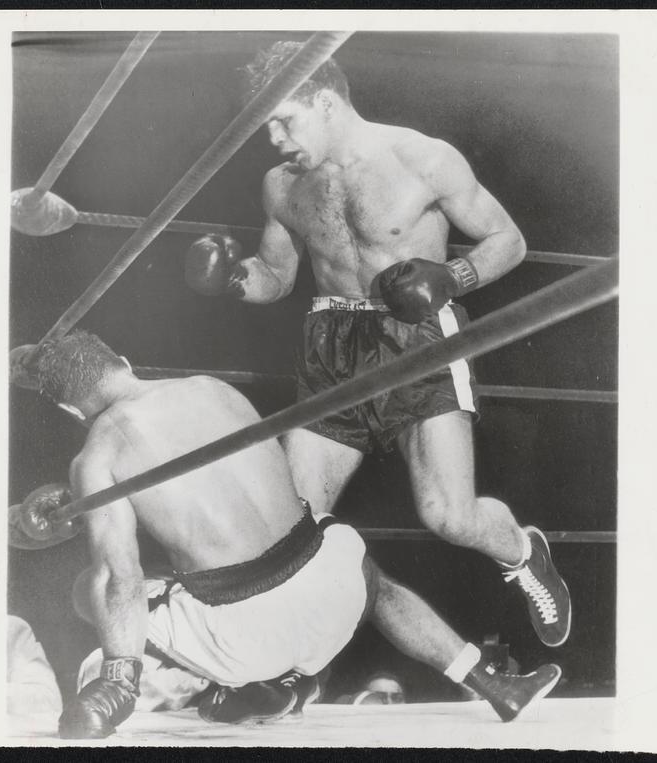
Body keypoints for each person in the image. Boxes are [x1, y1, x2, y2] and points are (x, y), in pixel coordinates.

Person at [183, 40, 571, 649]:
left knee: (448, 515)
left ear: (328, 102)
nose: (276, 138)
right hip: (331, 342)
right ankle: (290, 670)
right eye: (268, 125)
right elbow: (277, 276)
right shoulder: (282, 185)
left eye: (285, 119)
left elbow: (507, 240)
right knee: (289, 527)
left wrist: (452, 276)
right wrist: (234, 277)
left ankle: (525, 553)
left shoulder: (423, 159)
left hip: (418, 339)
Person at [14, 331, 561, 739]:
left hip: (245, 642)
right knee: (347, 556)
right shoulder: (212, 389)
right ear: (125, 364)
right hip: (338, 597)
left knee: (92, 585)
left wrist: (116, 680)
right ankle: (493, 682)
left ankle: (248, 685)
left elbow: (119, 578)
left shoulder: (98, 456)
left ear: (69, 409)